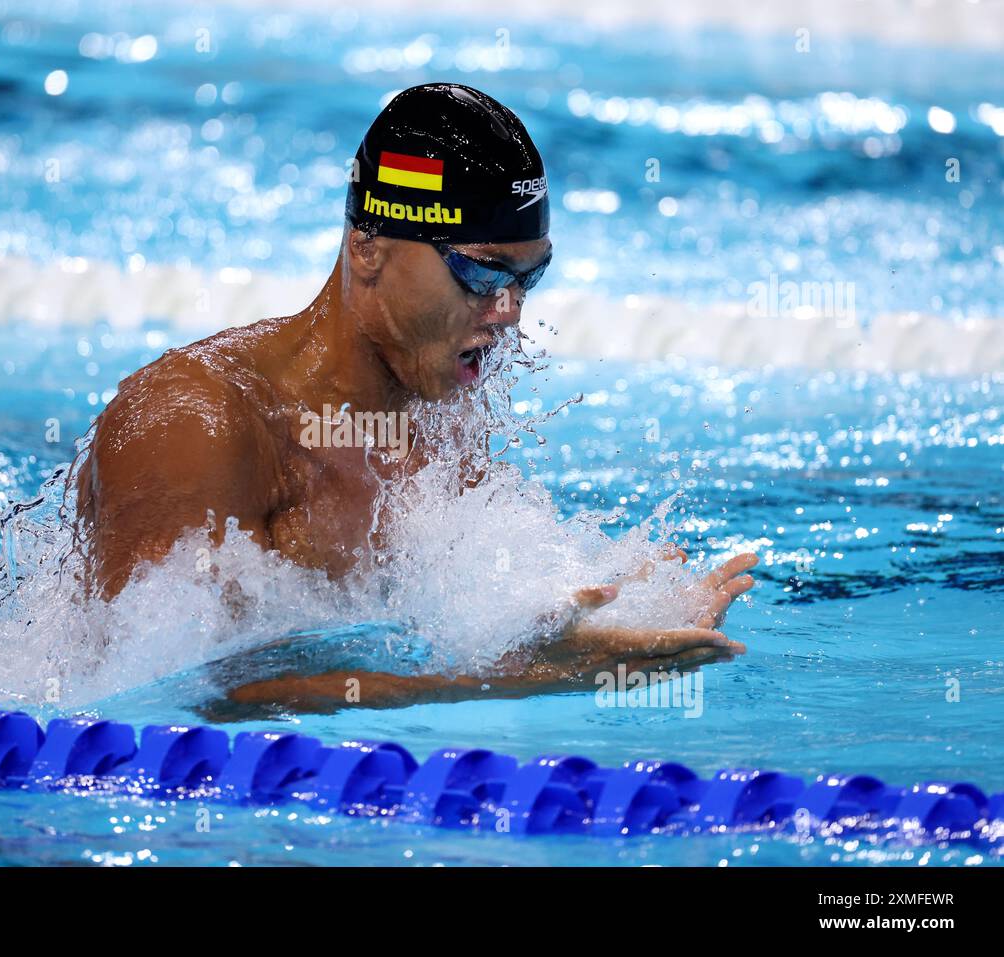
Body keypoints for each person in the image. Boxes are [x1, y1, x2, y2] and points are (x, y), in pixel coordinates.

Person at [76, 83, 757, 713]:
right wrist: (523, 675)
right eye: (481, 271)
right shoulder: (196, 423)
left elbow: (475, 599)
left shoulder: (437, 415)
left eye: (528, 278)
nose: (509, 311)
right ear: (369, 246)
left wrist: (625, 594)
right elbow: (163, 691)